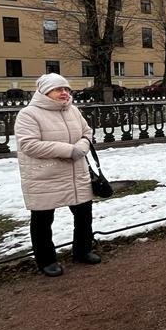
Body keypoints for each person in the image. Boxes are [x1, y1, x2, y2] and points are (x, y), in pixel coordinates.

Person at [15, 73, 98, 276]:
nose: (64, 93)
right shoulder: (29, 114)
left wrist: (81, 146)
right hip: (45, 175)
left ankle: (83, 250)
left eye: (66, 89)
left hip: (75, 173)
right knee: (43, 219)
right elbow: (29, 144)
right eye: (58, 89)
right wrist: (69, 150)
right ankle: (46, 260)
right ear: (45, 92)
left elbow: (87, 133)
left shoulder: (73, 110)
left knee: (84, 214)